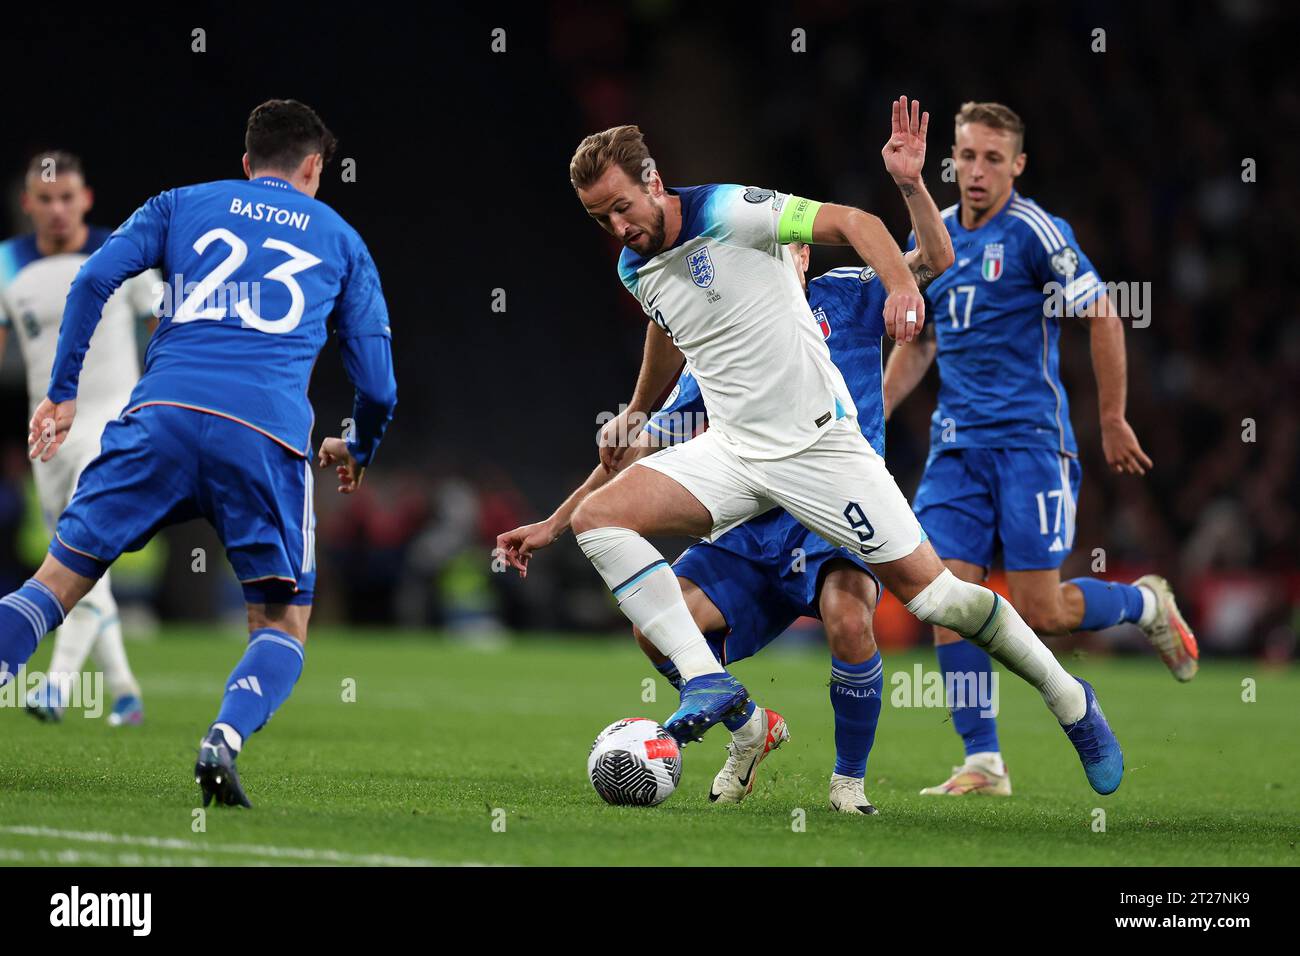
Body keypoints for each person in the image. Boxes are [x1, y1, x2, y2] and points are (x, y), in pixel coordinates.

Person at [502, 96, 1126, 797]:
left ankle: (1072, 703)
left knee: (941, 599)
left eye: (621, 207)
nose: (618, 228)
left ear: (652, 180)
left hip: (820, 450)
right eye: (600, 220)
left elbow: (854, 223)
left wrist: (898, 282)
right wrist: (635, 414)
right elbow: (664, 320)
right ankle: (715, 693)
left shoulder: (732, 211)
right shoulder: (635, 264)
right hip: (736, 453)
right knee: (598, 521)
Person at [0, 99, 397, 808]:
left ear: (247, 164)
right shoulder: (341, 240)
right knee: (281, 619)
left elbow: (91, 279)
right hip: (265, 437)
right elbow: (380, 385)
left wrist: (62, 393)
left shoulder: (182, 202)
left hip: (159, 418)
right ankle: (223, 736)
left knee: (55, 583)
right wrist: (358, 445)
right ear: (313, 168)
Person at [883, 102, 1198, 797]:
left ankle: (1146, 606)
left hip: (1030, 446)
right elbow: (923, 341)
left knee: (1041, 613)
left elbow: (1103, 311)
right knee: (944, 596)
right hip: (957, 449)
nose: (976, 171)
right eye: (967, 156)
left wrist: (1112, 417)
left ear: (1017, 166)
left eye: (993, 158)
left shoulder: (1035, 233)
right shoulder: (932, 234)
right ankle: (984, 762)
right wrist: (874, 414)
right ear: (953, 159)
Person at [0, 150, 157, 725]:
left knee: (77, 554)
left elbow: (164, 333)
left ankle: (55, 685)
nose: (58, 210)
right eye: (45, 199)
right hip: (47, 436)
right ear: (28, 205)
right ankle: (124, 691)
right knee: (72, 566)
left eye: (68, 197)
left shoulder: (125, 252)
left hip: (112, 428)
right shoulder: (5, 265)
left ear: (85, 199)